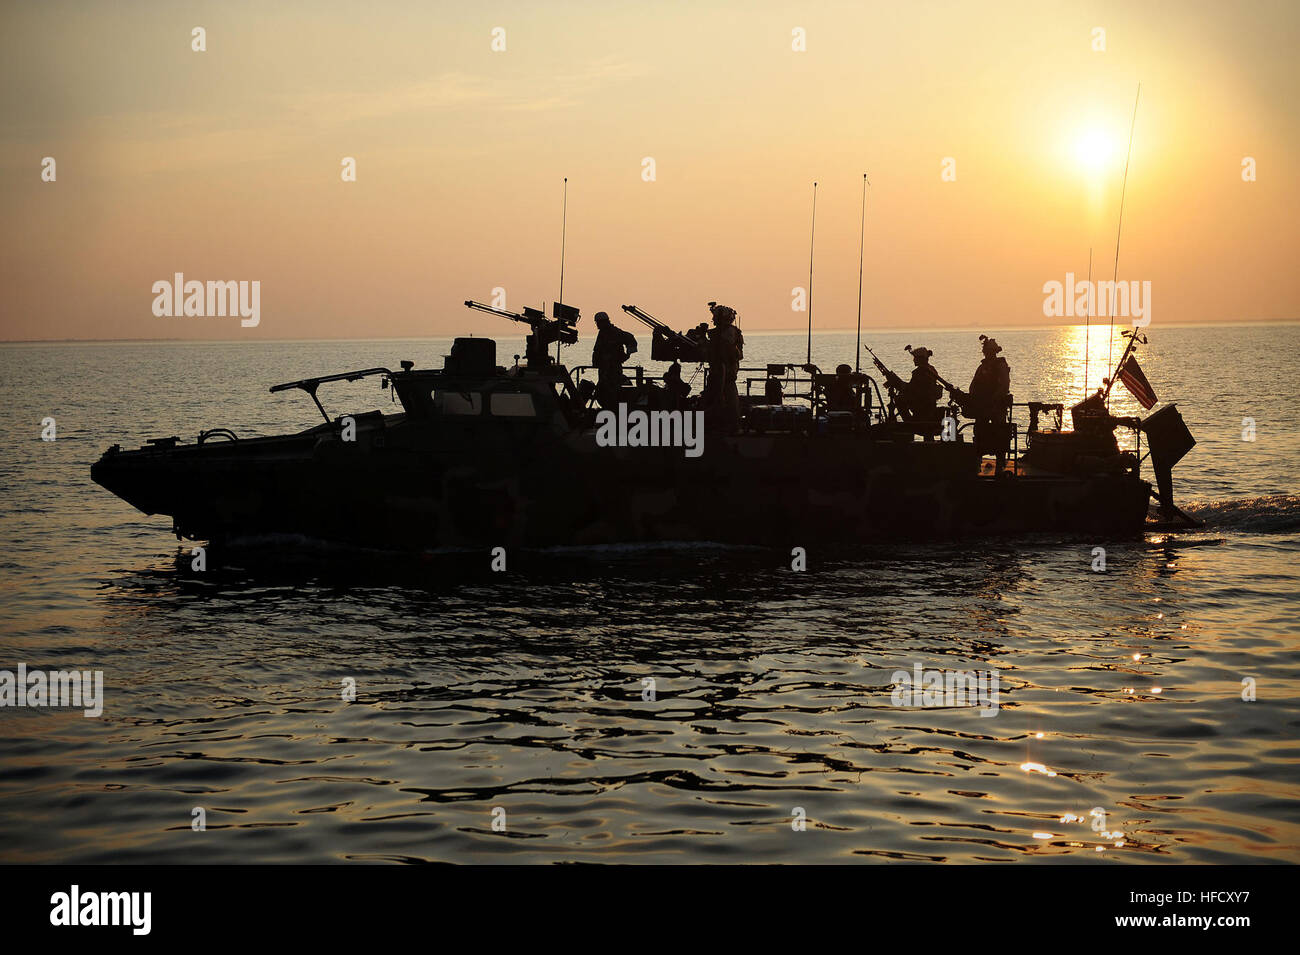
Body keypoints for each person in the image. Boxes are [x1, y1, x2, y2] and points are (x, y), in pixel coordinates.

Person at [958, 335, 1012, 474]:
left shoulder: (1000, 366)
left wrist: (994, 400)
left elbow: (1004, 386)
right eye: (986, 351)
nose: (986, 353)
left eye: (988, 351)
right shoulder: (982, 367)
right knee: (980, 432)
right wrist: (972, 399)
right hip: (982, 406)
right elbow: (974, 385)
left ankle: (1000, 463)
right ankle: (978, 460)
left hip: (996, 407)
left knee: (999, 433)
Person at [704, 302, 743, 431]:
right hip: (719, 375)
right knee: (715, 401)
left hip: (725, 376)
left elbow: (724, 357)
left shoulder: (728, 334)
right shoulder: (724, 334)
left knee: (728, 403)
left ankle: (730, 426)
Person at [591, 311, 638, 409]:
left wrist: (627, 354)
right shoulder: (602, 334)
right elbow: (597, 351)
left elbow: (630, 338)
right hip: (604, 370)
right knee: (603, 391)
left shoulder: (615, 333)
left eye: (598, 323)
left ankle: (613, 409)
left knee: (613, 392)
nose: (597, 325)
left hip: (614, 370)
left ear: (603, 322)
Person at [901, 346, 943, 433]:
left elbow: (911, 389)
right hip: (930, 405)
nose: (913, 360)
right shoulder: (931, 369)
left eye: (915, 358)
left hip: (922, 407)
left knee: (899, 399)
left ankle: (909, 425)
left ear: (921, 359)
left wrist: (898, 384)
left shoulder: (919, 372)